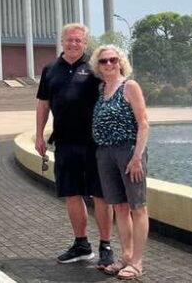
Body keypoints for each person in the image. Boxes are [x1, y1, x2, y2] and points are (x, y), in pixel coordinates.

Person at [35, 23, 114, 268]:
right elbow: (43, 104)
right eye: (69, 40)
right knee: (72, 193)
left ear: (85, 43)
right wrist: (39, 135)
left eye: (78, 40)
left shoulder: (95, 67)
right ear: (61, 41)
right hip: (65, 142)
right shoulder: (50, 69)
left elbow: (113, 92)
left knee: (100, 194)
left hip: (95, 143)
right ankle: (81, 245)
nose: (73, 44)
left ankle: (106, 246)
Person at [89, 45, 149, 280]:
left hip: (128, 152)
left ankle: (137, 262)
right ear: (98, 66)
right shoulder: (102, 88)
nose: (109, 64)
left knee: (138, 207)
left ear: (121, 62)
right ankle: (125, 256)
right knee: (120, 207)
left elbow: (143, 123)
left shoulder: (129, 86)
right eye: (104, 61)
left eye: (113, 60)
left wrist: (137, 157)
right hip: (105, 153)